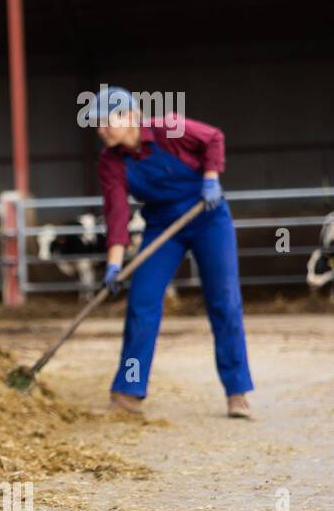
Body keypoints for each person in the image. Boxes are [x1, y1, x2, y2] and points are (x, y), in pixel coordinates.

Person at [86, 87, 254, 418]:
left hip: (207, 216)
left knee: (224, 301)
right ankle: (128, 393)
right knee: (142, 303)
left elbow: (213, 138)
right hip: (162, 227)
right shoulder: (111, 161)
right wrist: (114, 266)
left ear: (131, 116)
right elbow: (117, 214)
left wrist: (210, 178)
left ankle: (237, 392)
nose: (101, 130)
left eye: (108, 122)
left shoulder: (168, 127)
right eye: (97, 124)